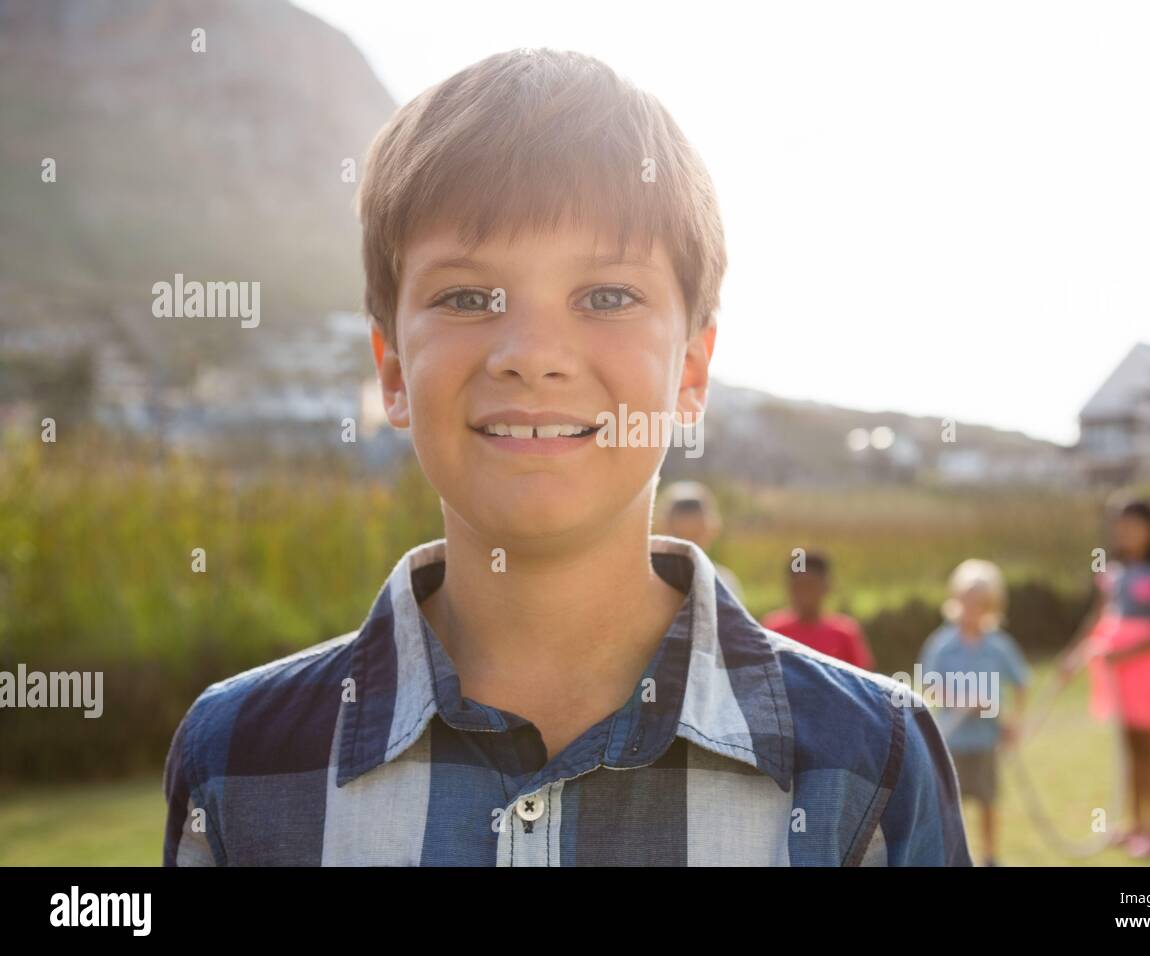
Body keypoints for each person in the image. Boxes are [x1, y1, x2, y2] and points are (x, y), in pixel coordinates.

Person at [161, 48, 970, 866]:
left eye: (607, 297)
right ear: (394, 372)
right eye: (469, 298)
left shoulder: (873, 764)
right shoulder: (236, 763)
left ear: (690, 372)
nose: (533, 354)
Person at [1059, 497, 1150, 861]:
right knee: (1131, 749)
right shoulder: (1114, 572)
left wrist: (1123, 654)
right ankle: (1137, 825)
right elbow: (1098, 619)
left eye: (1135, 525)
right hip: (1116, 671)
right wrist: (1075, 655)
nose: (1127, 533)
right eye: (1121, 526)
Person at [919, 559, 1029, 867]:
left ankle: (990, 856)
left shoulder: (999, 645)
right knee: (949, 804)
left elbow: (1021, 683)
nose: (972, 608)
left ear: (992, 605)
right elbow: (928, 685)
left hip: (986, 740)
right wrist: (960, 698)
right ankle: (952, 855)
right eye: (966, 600)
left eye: (980, 603)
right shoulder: (941, 645)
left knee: (988, 799)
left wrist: (1012, 722)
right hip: (950, 742)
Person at [762, 551, 874, 669]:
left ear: (826, 586)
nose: (804, 595)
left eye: (810, 586)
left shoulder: (844, 632)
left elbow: (862, 678)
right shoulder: (773, 630)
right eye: (798, 586)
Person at [656, 480, 745, 601]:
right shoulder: (652, 580)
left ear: (712, 530)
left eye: (696, 536)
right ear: (664, 529)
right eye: (681, 537)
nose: (690, 548)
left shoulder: (725, 582)